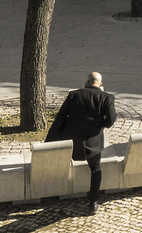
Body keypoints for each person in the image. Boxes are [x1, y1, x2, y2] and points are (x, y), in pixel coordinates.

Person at [45, 72, 118, 214]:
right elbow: (110, 121)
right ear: (100, 84)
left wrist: (48, 142)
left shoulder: (74, 95)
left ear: (86, 82)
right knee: (96, 170)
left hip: (71, 142)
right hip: (93, 143)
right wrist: (99, 124)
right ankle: (93, 202)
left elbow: (60, 117)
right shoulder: (107, 97)